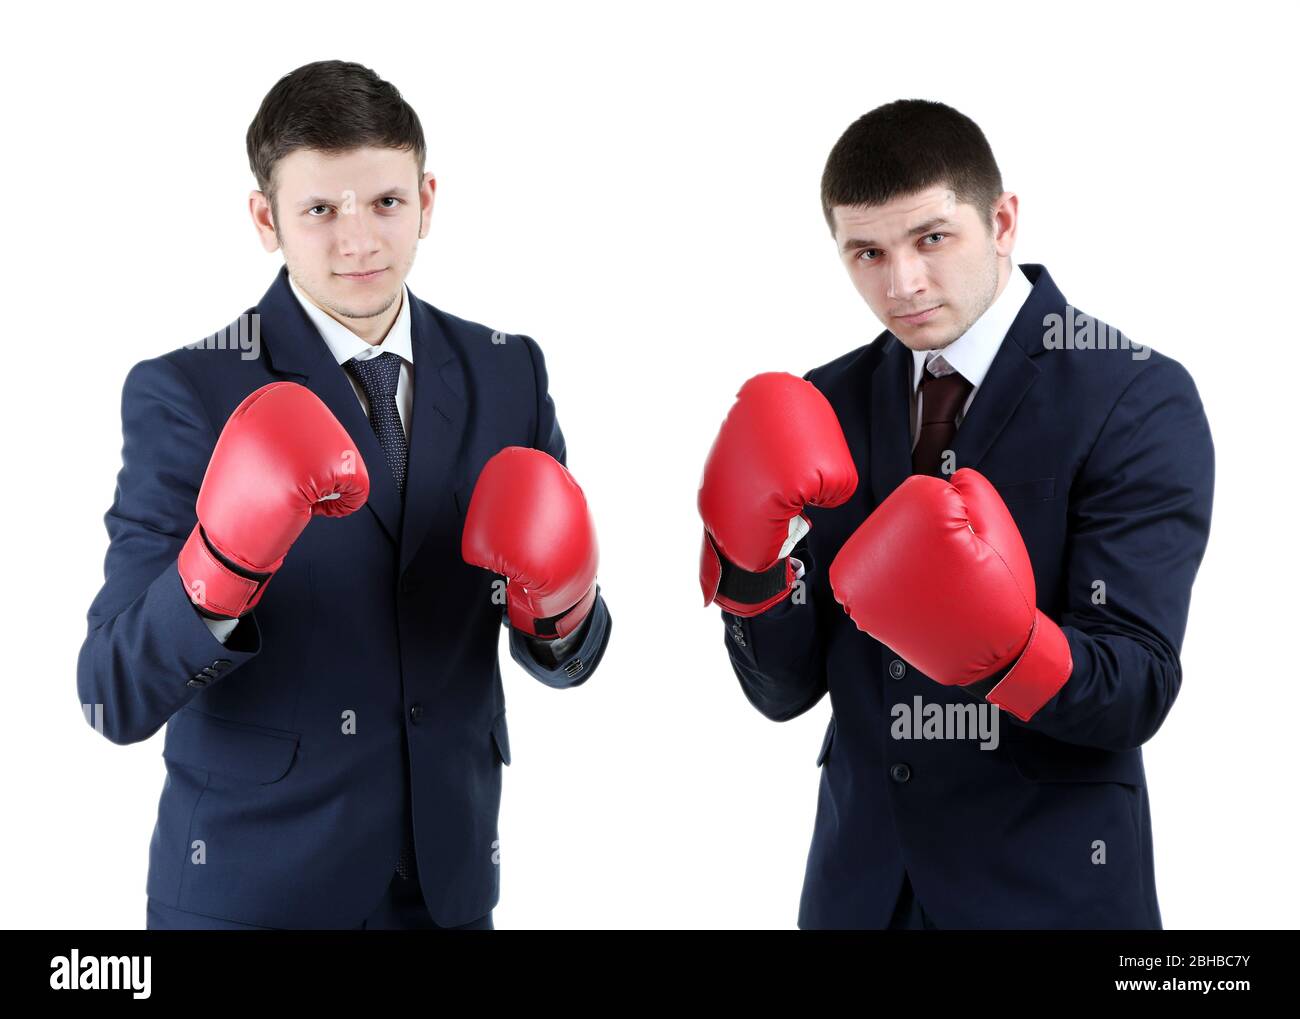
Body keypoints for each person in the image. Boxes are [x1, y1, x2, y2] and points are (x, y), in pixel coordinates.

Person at [77, 59, 612, 930]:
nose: (358, 240)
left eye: (386, 203)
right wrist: (218, 571)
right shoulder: (187, 389)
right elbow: (111, 690)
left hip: (448, 889)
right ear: (265, 217)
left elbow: (567, 654)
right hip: (252, 892)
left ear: (428, 200)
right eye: (321, 209)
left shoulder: (508, 370)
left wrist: (565, 608)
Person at [698, 99, 1213, 929]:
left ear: (1002, 221)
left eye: (932, 238)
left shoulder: (1132, 393)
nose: (901, 284)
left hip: (1050, 892)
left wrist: (1011, 647)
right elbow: (784, 693)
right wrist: (750, 571)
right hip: (859, 891)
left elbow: (1138, 686)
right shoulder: (822, 400)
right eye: (867, 252)